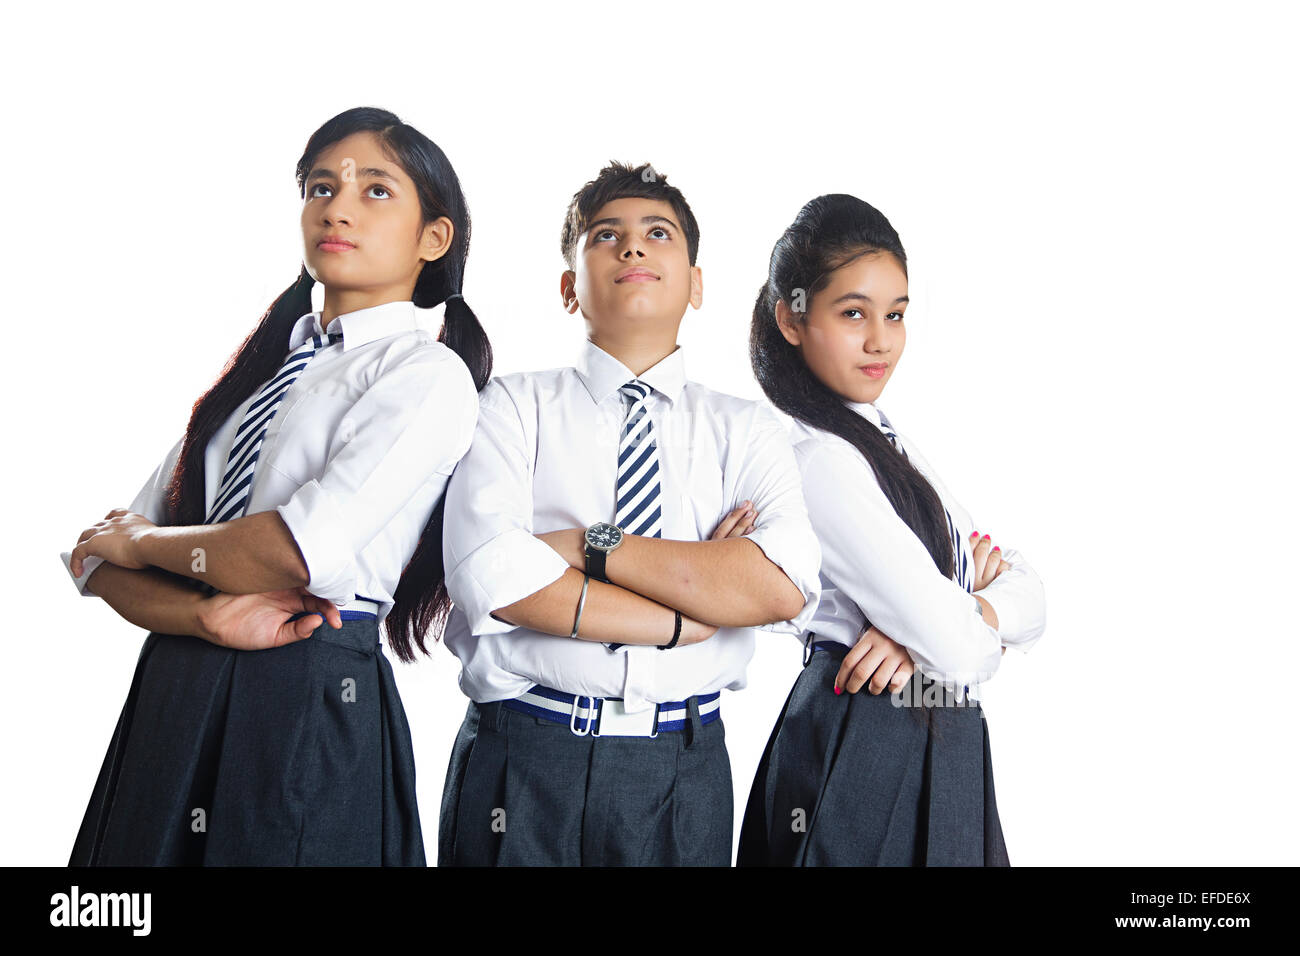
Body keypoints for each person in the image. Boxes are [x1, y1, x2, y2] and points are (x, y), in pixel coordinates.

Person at [61, 106, 491, 866]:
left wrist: (146, 544)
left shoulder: (424, 374)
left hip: (307, 687)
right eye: (320, 186)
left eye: (376, 190)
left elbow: (294, 551)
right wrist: (204, 619)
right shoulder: (258, 376)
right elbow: (95, 564)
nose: (338, 205)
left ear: (435, 237)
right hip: (175, 679)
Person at [436, 162, 822, 866]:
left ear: (697, 283)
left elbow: (781, 585)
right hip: (523, 760)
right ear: (567, 287)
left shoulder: (746, 431)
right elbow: (492, 577)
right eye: (606, 236)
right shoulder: (510, 407)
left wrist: (585, 546)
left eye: (658, 234)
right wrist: (688, 611)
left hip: (681, 771)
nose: (633, 248)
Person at [737, 194, 1046, 866]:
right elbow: (963, 654)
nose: (881, 339)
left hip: (941, 733)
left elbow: (1031, 595)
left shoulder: (883, 445)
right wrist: (941, 629)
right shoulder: (821, 461)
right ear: (792, 318)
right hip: (862, 742)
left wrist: (958, 617)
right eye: (853, 313)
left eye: (896, 315)